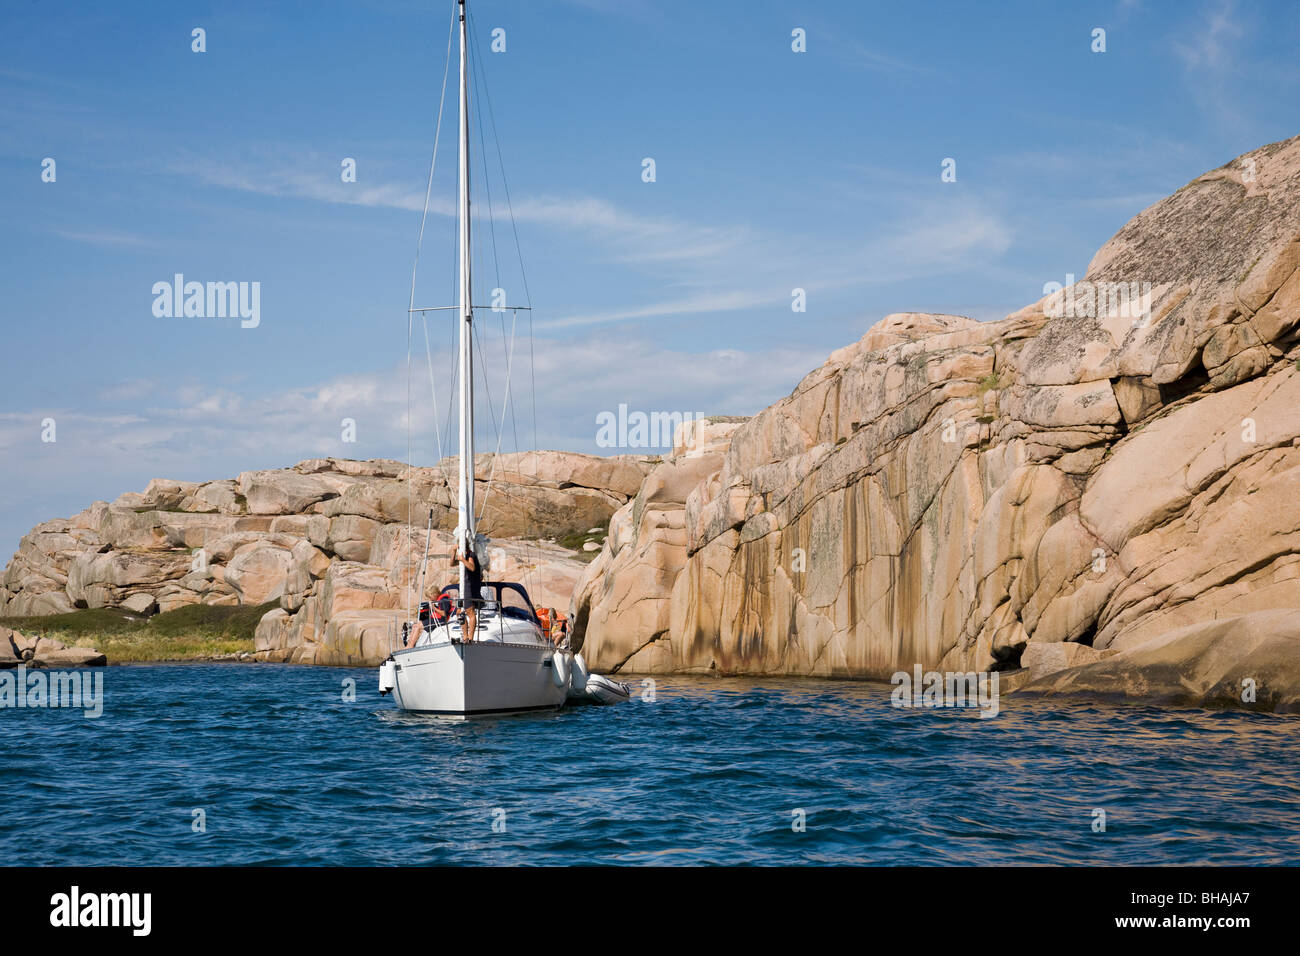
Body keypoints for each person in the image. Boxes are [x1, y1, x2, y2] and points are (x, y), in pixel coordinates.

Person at [452, 536, 482, 641]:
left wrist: (463, 560)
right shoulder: (463, 555)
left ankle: (470, 637)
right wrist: (454, 552)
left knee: (470, 611)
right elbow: (452, 564)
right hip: (463, 586)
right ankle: (465, 636)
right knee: (459, 612)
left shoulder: (470, 554)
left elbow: (472, 567)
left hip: (470, 586)